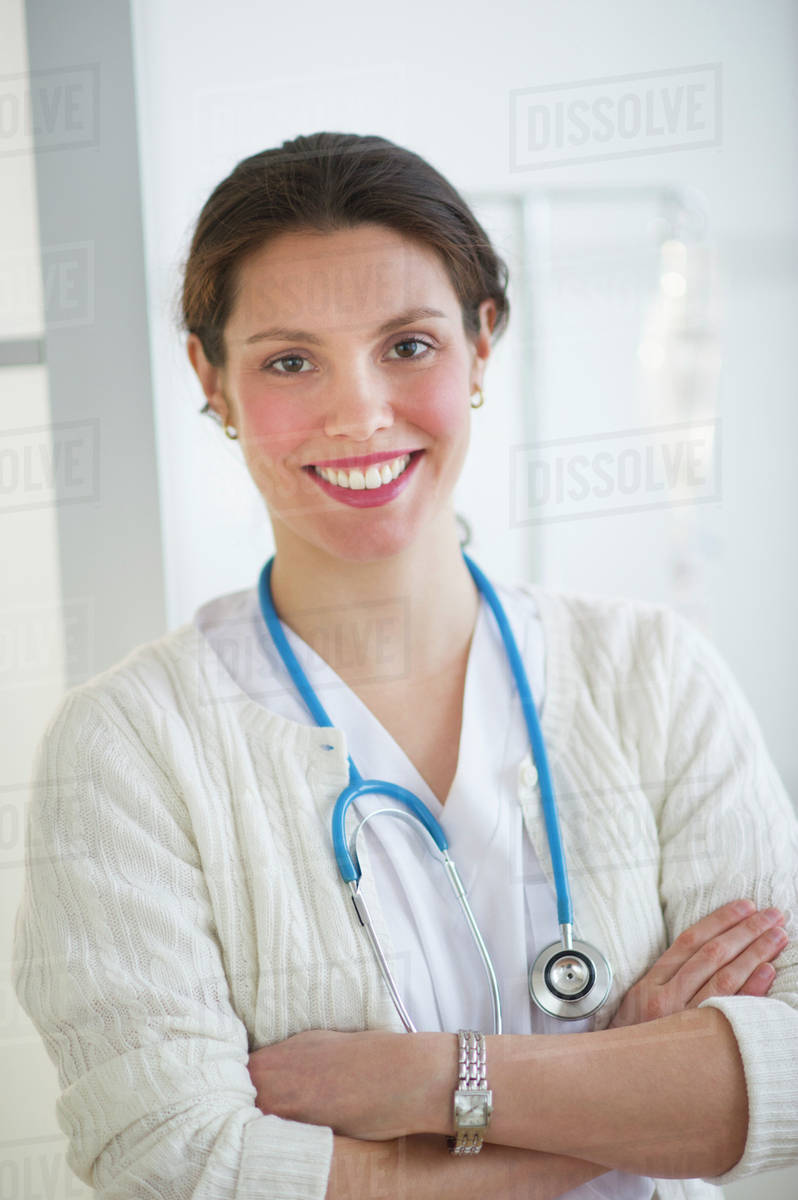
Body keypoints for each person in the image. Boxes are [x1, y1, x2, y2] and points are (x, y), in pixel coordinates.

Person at [12, 131, 797, 1200]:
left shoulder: (656, 678)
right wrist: (626, 1081)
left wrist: (426, 1083)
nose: (361, 414)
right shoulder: (129, 749)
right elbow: (175, 1160)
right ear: (213, 379)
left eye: (409, 345)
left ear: (482, 343)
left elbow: (785, 1079)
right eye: (291, 361)